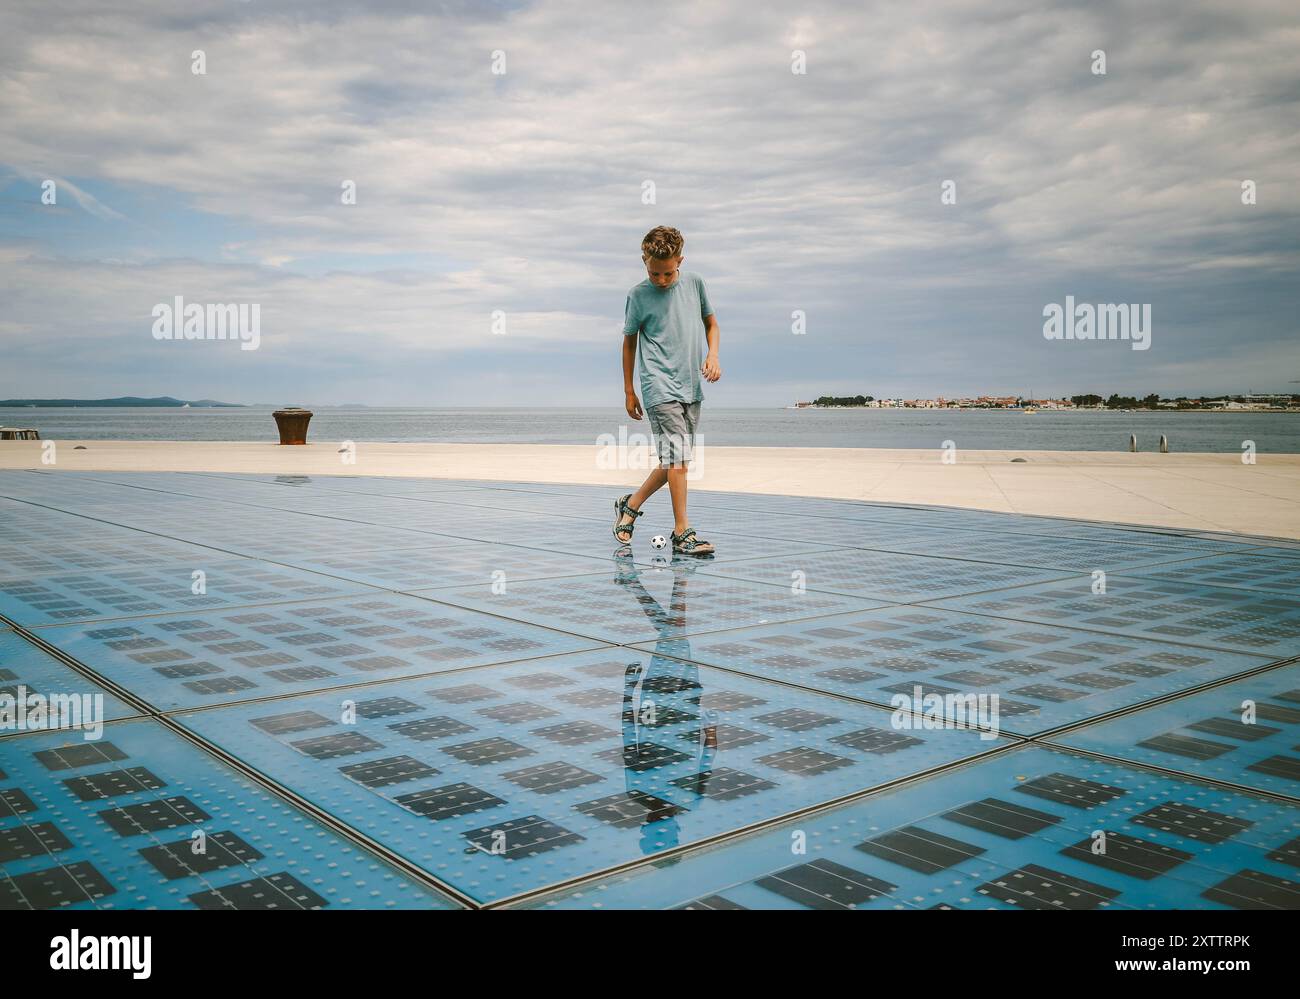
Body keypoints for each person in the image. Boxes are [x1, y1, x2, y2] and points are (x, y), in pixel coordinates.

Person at [613, 225, 721, 556]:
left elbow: (712, 324)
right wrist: (629, 390)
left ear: (680, 262)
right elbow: (629, 343)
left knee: (674, 460)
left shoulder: (695, 283)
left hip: (691, 385)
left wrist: (712, 354)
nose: (660, 280)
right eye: (654, 273)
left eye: (668, 273)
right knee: (679, 462)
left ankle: (629, 506)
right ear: (644, 262)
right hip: (658, 386)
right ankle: (681, 532)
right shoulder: (638, 295)